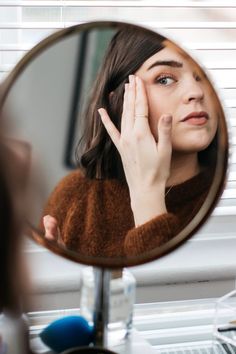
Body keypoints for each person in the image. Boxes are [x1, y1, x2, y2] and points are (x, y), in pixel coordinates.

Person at [42, 24, 222, 258]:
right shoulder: (75, 195)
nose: (196, 91)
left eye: (203, 77)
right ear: (120, 101)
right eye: (165, 79)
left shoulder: (221, 200)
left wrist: (148, 195)